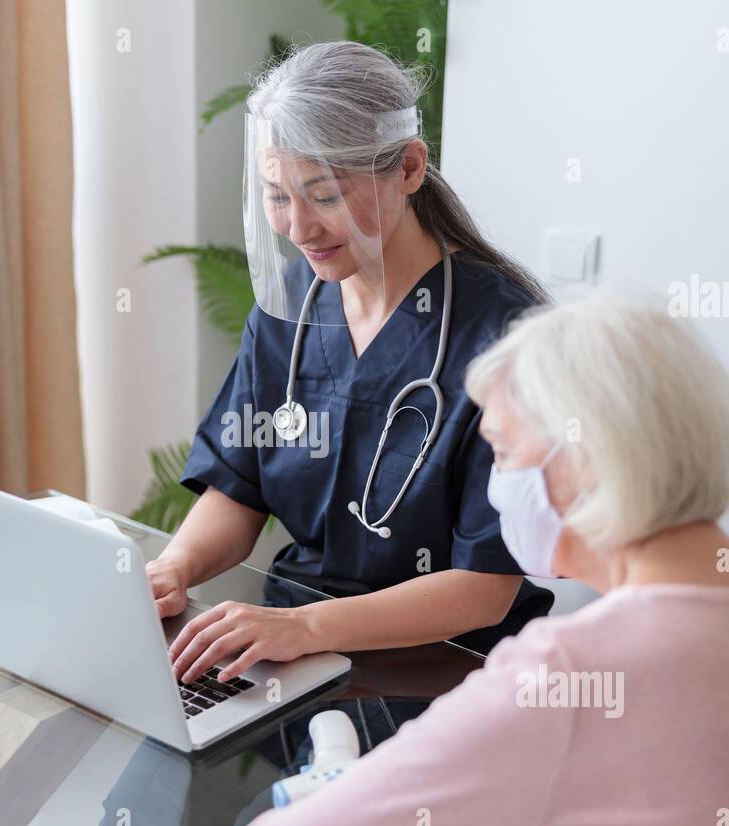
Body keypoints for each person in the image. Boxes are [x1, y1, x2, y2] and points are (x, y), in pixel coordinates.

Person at [216, 289, 729, 826]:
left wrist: (333, 797)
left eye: (502, 453)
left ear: (584, 461)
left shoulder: (563, 675)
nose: (497, 486)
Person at [153, 40, 553, 694]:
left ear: (410, 168)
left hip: (447, 666)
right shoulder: (291, 307)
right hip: (295, 647)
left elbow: (486, 587)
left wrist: (310, 628)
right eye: (277, 197)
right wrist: (176, 566)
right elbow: (239, 486)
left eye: (326, 196)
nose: (299, 227)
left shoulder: (506, 336)